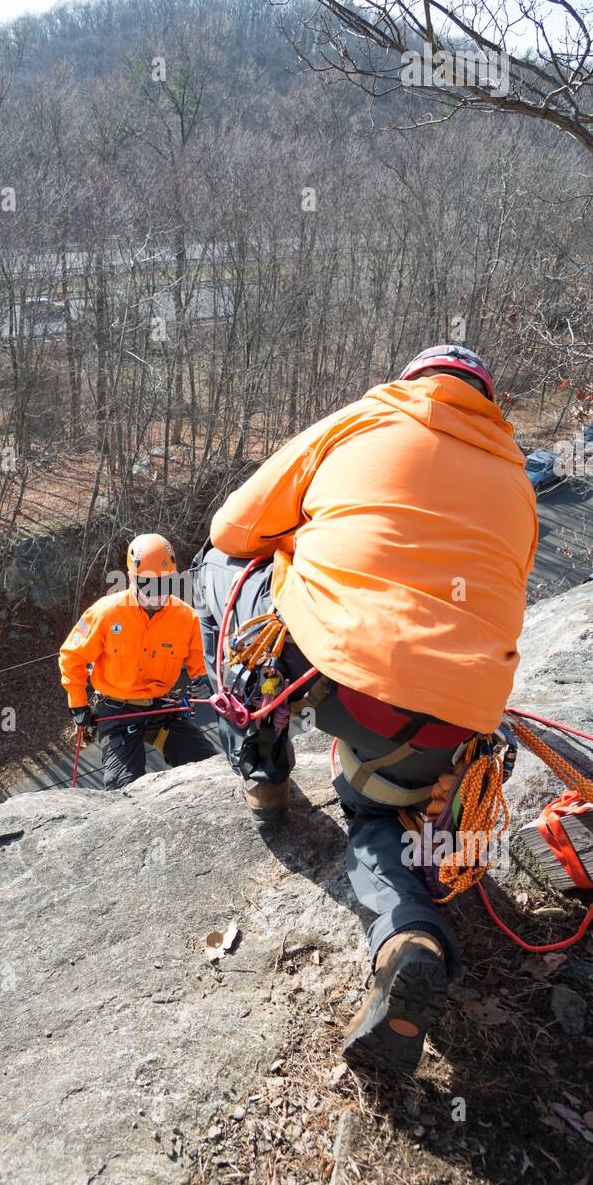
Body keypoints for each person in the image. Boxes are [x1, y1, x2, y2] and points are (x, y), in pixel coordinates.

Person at [194, 345, 538, 1076]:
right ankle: (406, 940)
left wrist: (306, 539)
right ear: (484, 399)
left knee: (219, 572)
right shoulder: (516, 476)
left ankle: (262, 768)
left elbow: (231, 531)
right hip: (449, 716)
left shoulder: (364, 416)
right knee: (378, 818)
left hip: (335, 670)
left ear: (414, 380)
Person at [60, 533, 215, 790]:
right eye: (149, 585)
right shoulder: (106, 613)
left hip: (161, 709)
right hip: (118, 712)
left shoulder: (186, 618)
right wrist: (78, 705)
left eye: (164, 584)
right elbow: (72, 656)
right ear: (132, 578)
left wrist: (203, 679)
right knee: (125, 788)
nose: (157, 595)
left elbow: (201, 661)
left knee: (208, 765)